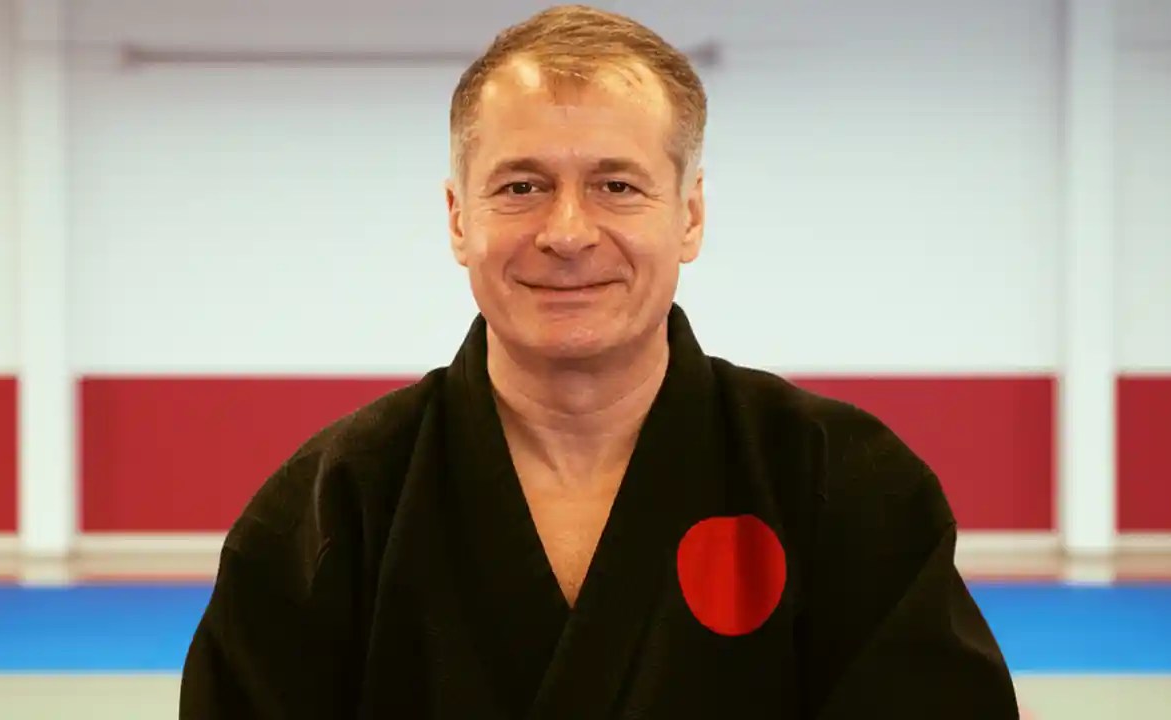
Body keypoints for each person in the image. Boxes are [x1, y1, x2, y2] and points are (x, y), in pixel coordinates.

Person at [179, 5, 1020, 718]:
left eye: (618, 185)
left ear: (689, 217)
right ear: (457, 218)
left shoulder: (843, 482)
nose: (568, 231)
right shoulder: (336, 503)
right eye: (521, 187)